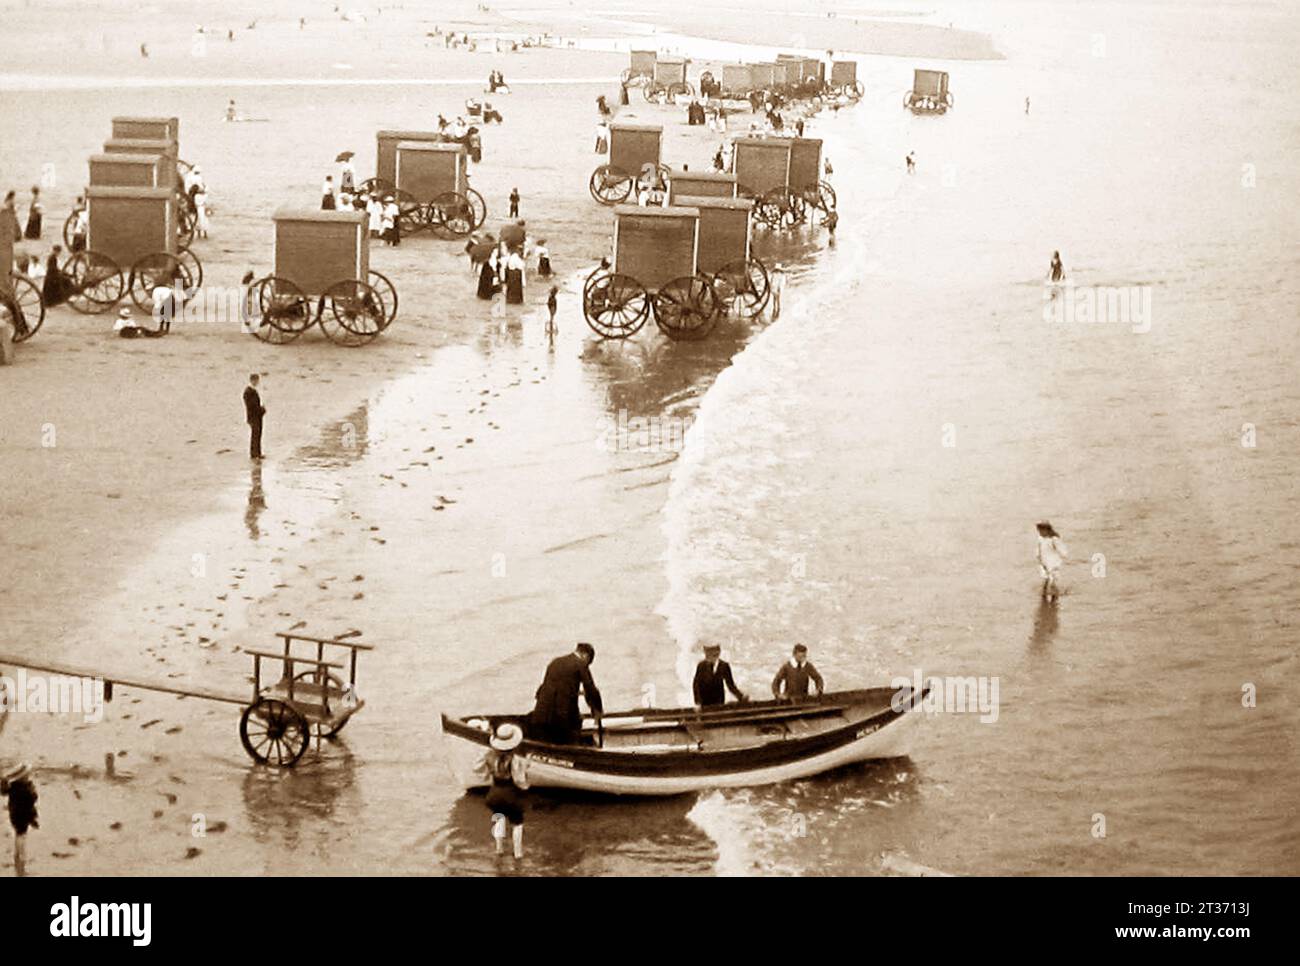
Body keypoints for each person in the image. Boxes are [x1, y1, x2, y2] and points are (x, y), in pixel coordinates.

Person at [527, 643, 603, 745]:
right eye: (588, 663)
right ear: (586, 655)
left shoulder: (555, 662)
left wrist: (575, 692)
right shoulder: (580, 664)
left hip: (541, 715)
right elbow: (590, 689)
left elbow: (544, 689)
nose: (587, 665)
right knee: (575, 732)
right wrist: (597, 710)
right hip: (562, 719)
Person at [483, 723, 530, 860]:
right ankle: (518, 853)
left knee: (499, 819)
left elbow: (481, 771)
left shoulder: (490, 756)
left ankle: (499, 849)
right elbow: (519, 780)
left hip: (494, 793)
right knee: (517, 823)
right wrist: (526, 786)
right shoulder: (514, 760)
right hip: (511, 794)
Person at [1, 762, 38, 877]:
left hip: (15, 813)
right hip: (23, 814)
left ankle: (18, 856)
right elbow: (30, 802)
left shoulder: (14, 787)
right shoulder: (25, 788)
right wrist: (33, 818)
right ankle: (20, 858)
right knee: (21, 835)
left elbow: (4, 792)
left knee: (18, 834)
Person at [1035, 522, 1068, 600]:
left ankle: (1054, 597)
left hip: (1053, 563)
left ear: (1047, 530)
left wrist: (1063, 556)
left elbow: (1062, 550)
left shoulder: (1054, 539)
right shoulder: (1040, 539)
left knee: (1052, 580)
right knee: (1045, 579)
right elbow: (1038, 549)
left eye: (1041, 531)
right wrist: (1038, 557)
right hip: (1044, 562)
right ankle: (1043, 596)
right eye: (1039, 531)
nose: (1040, 533)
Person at [243, 374, 266, 459]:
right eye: (256, 380)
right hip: (254, 417)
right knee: (255, 435)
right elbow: (252, 406)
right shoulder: (249, 391)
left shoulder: (252, 391)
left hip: (255, 416)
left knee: (257, 434)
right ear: (253, 380)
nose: (257, 382)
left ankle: (257, 453)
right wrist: (262, 410)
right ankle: (254, 454)